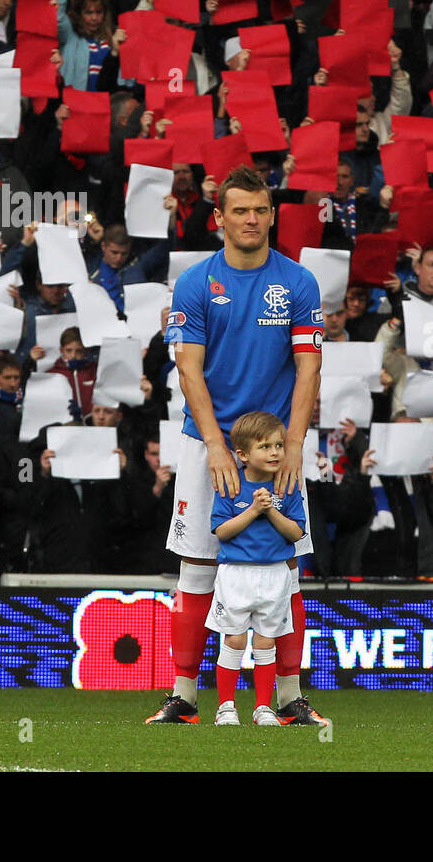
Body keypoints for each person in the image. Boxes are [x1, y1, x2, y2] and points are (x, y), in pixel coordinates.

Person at [146, 165, 325, 727]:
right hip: (208, 446)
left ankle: (290, 699)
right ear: (219, 217)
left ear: (272, 214)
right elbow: (188, 369)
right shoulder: (196, 282)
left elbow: (309, 365)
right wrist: (219, 447)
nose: (252, 219)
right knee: (198, 568)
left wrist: (293, 444)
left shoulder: (298, 281)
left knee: (286, 568)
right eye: (240, 210)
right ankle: (185, 698)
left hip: (276, 449)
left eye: (261, 210)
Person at [207, 411, 307, 727]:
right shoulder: (230, 485)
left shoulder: (288, 487)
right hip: (235, 574)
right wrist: (253, 510)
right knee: (234, 640)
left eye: (279, 445)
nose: (275, 452)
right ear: (243, 454)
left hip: (275, 573)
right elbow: (221, 531)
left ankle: (263, 707)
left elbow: (297, 533)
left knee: (266, 641)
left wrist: (271, 512)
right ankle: (226, 707)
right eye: (265, 447)